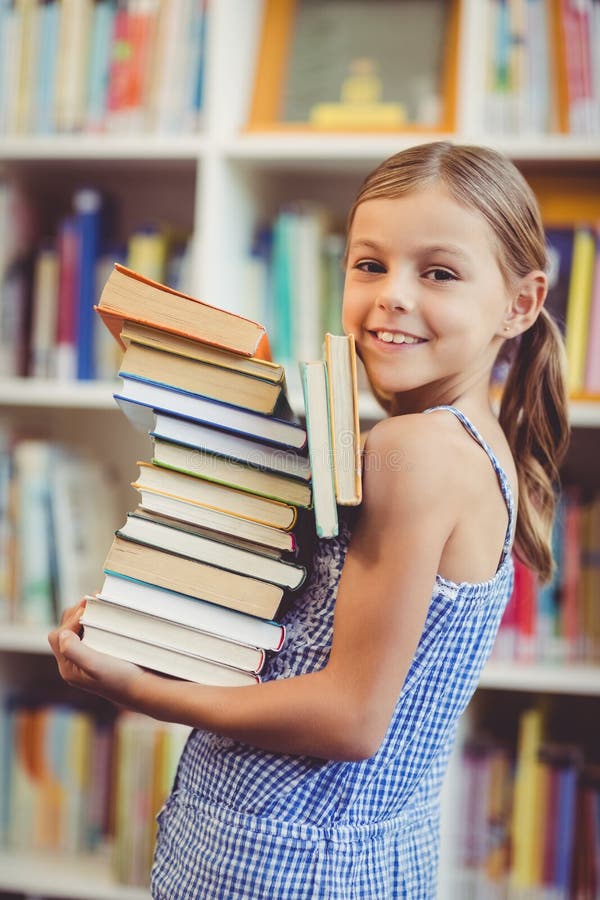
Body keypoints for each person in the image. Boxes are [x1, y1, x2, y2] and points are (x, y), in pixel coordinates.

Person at [49, 141, 570, 899]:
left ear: (520, 303)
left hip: (286, 864)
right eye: (369, 264)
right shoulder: (468, 447)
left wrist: (136, 689)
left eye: (439, 273)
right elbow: (310, 650)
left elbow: (348, 717)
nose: (392, 294)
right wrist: (144, 633)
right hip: (350, 853)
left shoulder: (413, 453)